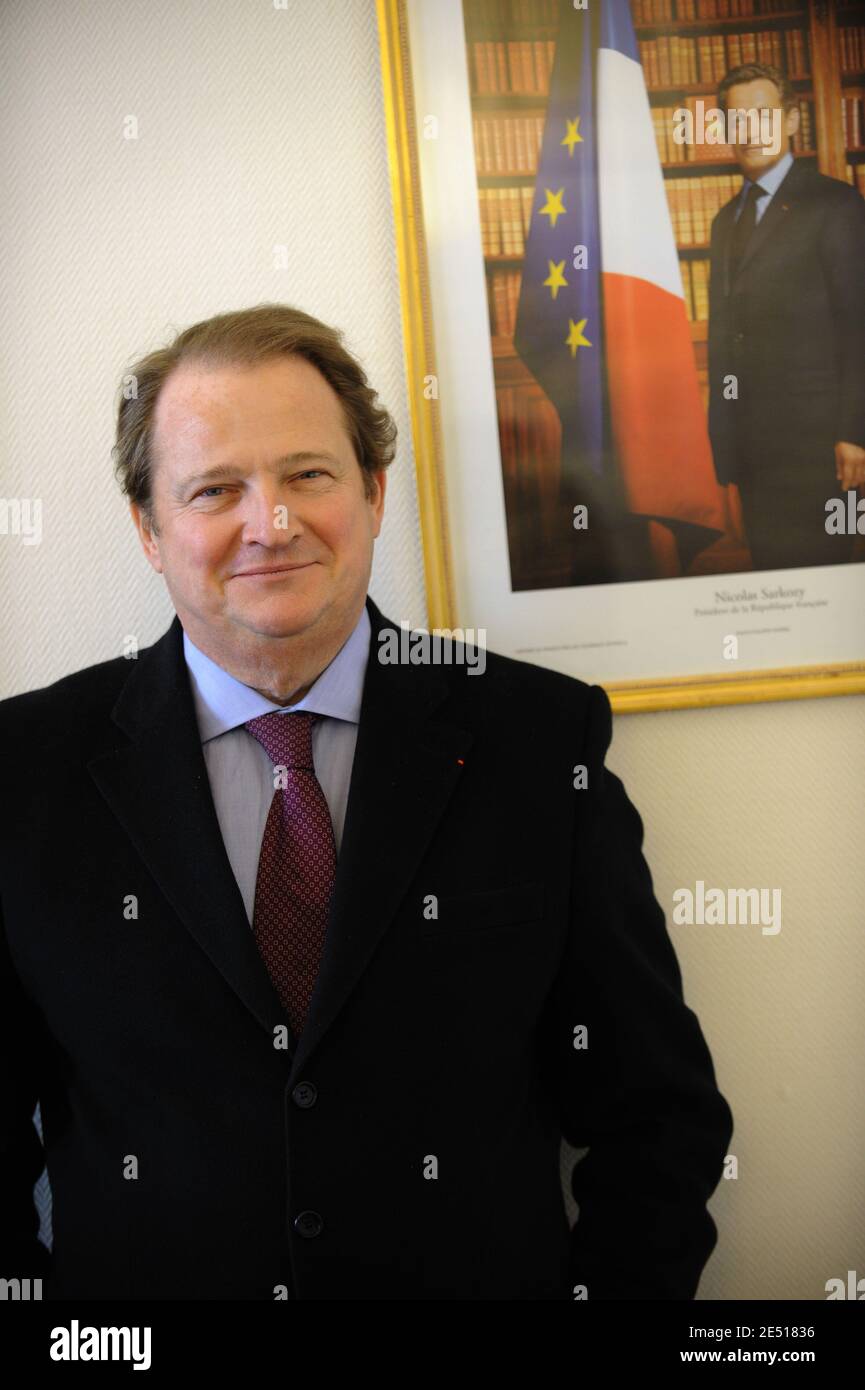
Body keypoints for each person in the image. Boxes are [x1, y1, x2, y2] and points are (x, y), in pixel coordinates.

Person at [0, 303, 733, 1301]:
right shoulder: (26, 769)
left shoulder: (534, 740)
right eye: (216, 488)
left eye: (309, 474)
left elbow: (656, 1115)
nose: (272, 522)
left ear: (375, 490)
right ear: (148, 527)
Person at [707, 63, 865, 571]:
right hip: (754, 447)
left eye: (762, 115)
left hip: (823, 445)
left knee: (822, 585)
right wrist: (724, 437)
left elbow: (858, 325)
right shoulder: (723, 221)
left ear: (793, 121)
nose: (750, 131)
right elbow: (722, 337)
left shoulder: (835, 204)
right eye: (736, 119)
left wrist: (856, 432)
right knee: (772, 581)